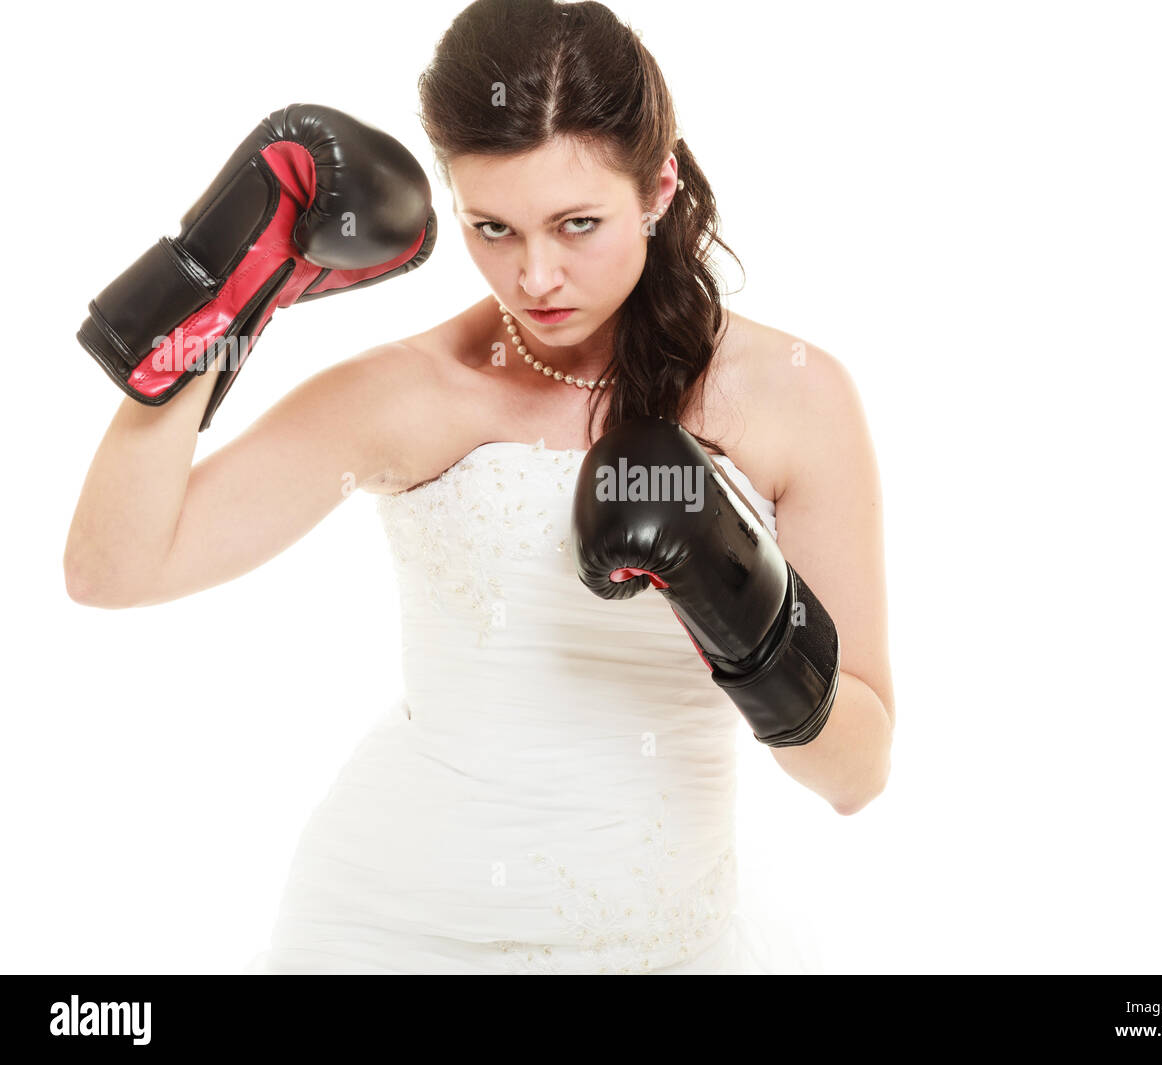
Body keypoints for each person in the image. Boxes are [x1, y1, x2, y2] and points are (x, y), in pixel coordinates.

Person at [64, 0, 894, 974]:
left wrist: (744, 612)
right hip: (382, 930)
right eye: (491, 227)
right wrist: (230, 287)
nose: (535, 275)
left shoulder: (794, 399)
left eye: (577, 223)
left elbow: (858, 772)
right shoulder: (417, 391)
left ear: (658, 185)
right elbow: (113, 568)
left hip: (661, 948)